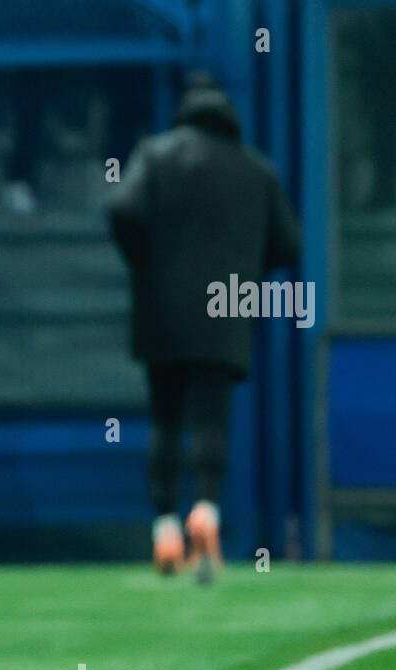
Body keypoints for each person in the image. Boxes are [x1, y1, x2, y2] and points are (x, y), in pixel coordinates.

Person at [107, 74, 299, 582]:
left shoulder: (154, 153)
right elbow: (290, 243)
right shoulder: (257, 170)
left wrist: (143, 262)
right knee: (212, 418)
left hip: (163, 309)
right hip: (227, 309)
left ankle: (166, 527)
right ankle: (207, 511)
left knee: (166, 420)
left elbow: (121, 208)